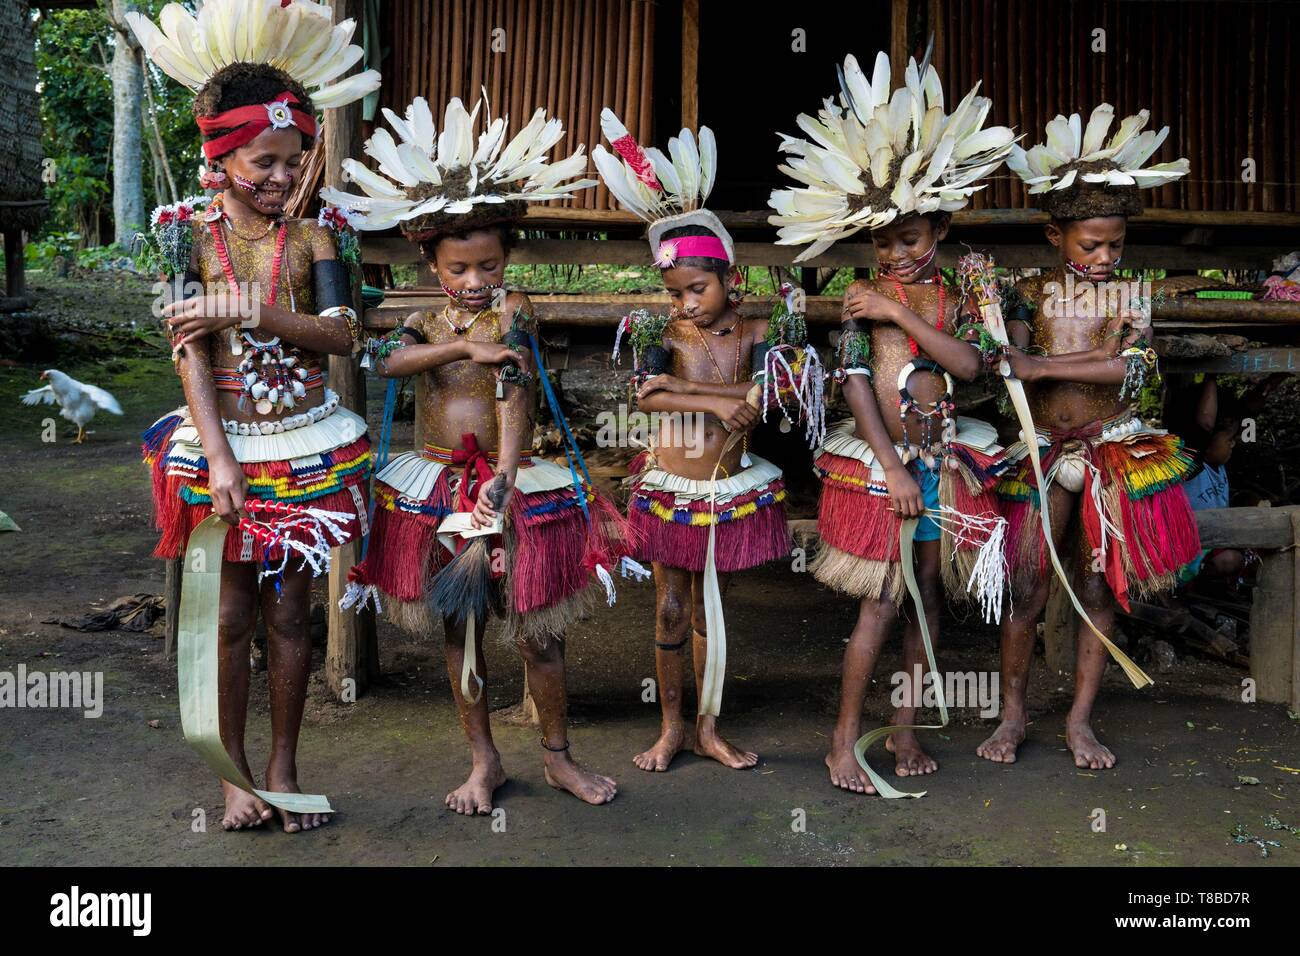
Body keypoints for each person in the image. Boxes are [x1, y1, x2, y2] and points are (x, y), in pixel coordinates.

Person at [324, 94, 633, 813]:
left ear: (506, 259)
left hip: (508, 480)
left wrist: (503, 473)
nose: (475, 281)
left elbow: (514, 390)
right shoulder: (426, 322)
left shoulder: (514, 311)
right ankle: (483, 761)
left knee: (538, 632)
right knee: (459, 629)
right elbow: (388, 366)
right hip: (437, 482)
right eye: (460, 267)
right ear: (433, 263)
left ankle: (558, 757)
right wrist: (460, 342)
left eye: (488, 264)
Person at [131, 0, 380, 832]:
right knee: (230, 613)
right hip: (225, 445)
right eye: (265, 162)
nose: (283, 177)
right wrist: (221, 458)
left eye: (294, 160)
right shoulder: (183, 239)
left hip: (305, 441)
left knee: (288, 612)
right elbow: (187, 350)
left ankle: (284, 762)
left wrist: (249, 309)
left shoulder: (317, 238)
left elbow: (344, 335)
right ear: (221, 158)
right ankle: (234, 771)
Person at [769, 50, 1015, 795]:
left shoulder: (958, 292)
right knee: (882, 599)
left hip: (950, 459)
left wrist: (900, 311)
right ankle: (843, 742)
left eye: (908, 239)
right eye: (883, 243)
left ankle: (906, 729)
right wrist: (896, 466)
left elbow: (971, 368)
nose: (894, 254)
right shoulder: (856, 292)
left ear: (938, 227)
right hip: (888, 465)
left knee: (931, 597)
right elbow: (854, 385)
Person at [981, 102, 1200, 769]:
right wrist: (1012, 348)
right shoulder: (1024, 294)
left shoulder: (1133, 296)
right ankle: (1012, 714)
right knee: (1028, 584)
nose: (1106, 257)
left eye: (1115, 245)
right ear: (1054, 234)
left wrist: (1044, 364)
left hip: (1114, 446)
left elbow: (1129, 367)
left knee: (1101, 588)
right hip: (1043, 448)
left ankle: (1080, 720)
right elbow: (1009, 364)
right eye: (1090, 245)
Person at [594, 110, 810, 772]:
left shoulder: (756, 335)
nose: (686, 302)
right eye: (675, 291)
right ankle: (668, 728)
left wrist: (760, 396)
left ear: (730, 281)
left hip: (726, 487)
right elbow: (652, 396)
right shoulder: (658, 334)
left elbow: (785, 390)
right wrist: (729, 401)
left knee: (709, 609)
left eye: (697, 288)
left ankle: (709, 727)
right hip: (670, 485)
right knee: (666, 608)